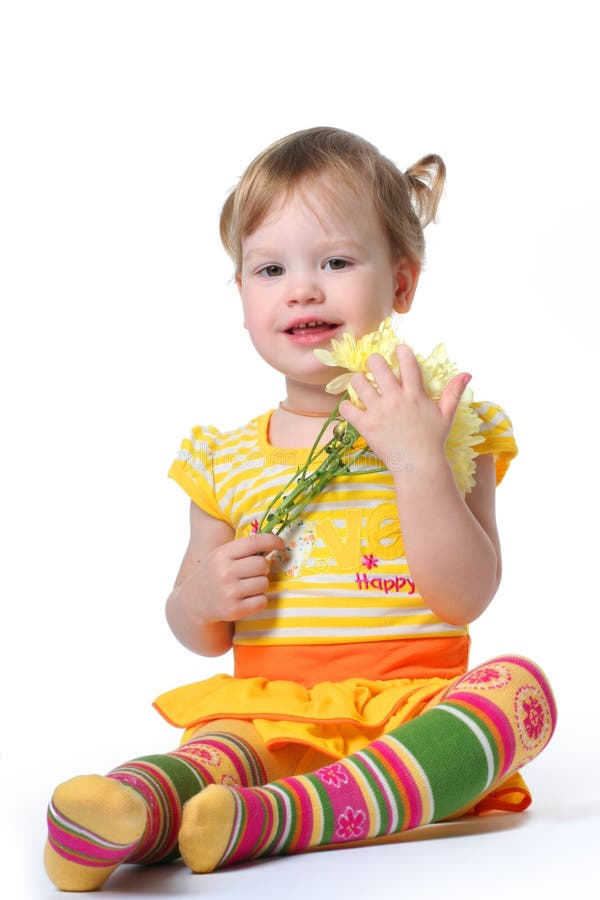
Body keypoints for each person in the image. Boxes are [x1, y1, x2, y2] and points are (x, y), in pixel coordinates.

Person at [44, 127, 556, 890]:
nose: (302, 288)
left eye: (337, 262)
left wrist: (417, 460)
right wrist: (202, 596)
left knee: (521, 693)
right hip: (268, 718)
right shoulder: (222, 457)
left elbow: (466, 594)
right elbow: (199, 632)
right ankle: (122, 813)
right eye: (269, 268)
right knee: (213, 752)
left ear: (403, 286)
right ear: (244, 295)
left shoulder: (452, 422)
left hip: (413, 719)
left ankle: (278, 819)